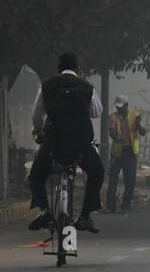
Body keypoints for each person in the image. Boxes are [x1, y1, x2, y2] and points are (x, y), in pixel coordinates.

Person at [28, 52, 105, 232]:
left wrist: (38, 132)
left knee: (36, 176)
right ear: (78, 70)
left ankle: (45, 211)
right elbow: (97, 112)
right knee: (97, 172)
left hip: (54, 144)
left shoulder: (47, 86)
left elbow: (36, 115)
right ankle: (85, 216)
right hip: (80, 146)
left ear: (58, 69)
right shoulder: (86, 87)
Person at [106, 95, 145, 214]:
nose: (119, 109)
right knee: (112, 179)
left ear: (127, 106)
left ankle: (125, 205)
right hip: (117, 152)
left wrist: (138, 124)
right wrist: (117, 139)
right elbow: (111, 132)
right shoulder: (113, 117)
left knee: (130, 181)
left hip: (130, 152)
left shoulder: (134, 115)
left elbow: (142, 132)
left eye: (121, 107)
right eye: (117, 107)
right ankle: (111, 206)